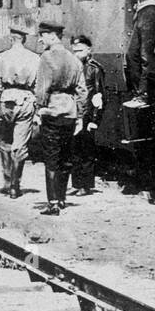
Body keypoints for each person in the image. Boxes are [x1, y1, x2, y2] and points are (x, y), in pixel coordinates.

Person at [34, 21, 87, 216]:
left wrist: (39, 109)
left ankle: (53, 203)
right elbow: (82, 91)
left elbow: (41, 89)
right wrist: (80, 114)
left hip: (52, 110)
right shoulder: (74, 59)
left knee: (51, 158)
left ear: (52, 36)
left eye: (42, 35)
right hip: (70, 112)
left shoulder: (46, 58)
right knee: (66, 157)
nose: (40, 39)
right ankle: (63, 199)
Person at [0, 23, 39, 198]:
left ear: (11, 38)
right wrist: (38, 110)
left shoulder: (2, 57)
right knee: (20, 145)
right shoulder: (34, 58)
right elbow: (37, 85)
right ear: (24, 39)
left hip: (6, 99)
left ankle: (7, 180)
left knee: (5, 143)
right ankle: (15, 186)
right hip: (26, 100)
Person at [70, 35, 105, 196]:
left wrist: (95, 120)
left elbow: (99, 96)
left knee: (86, 151)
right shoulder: (72, 67)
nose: (77, 53)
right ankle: (76, 184)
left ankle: (86, 185)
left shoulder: (94, 68)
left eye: (80, 50)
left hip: (88, 115)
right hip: (74, 114)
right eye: (74, 50)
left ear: (89, 50)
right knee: (74, 150)